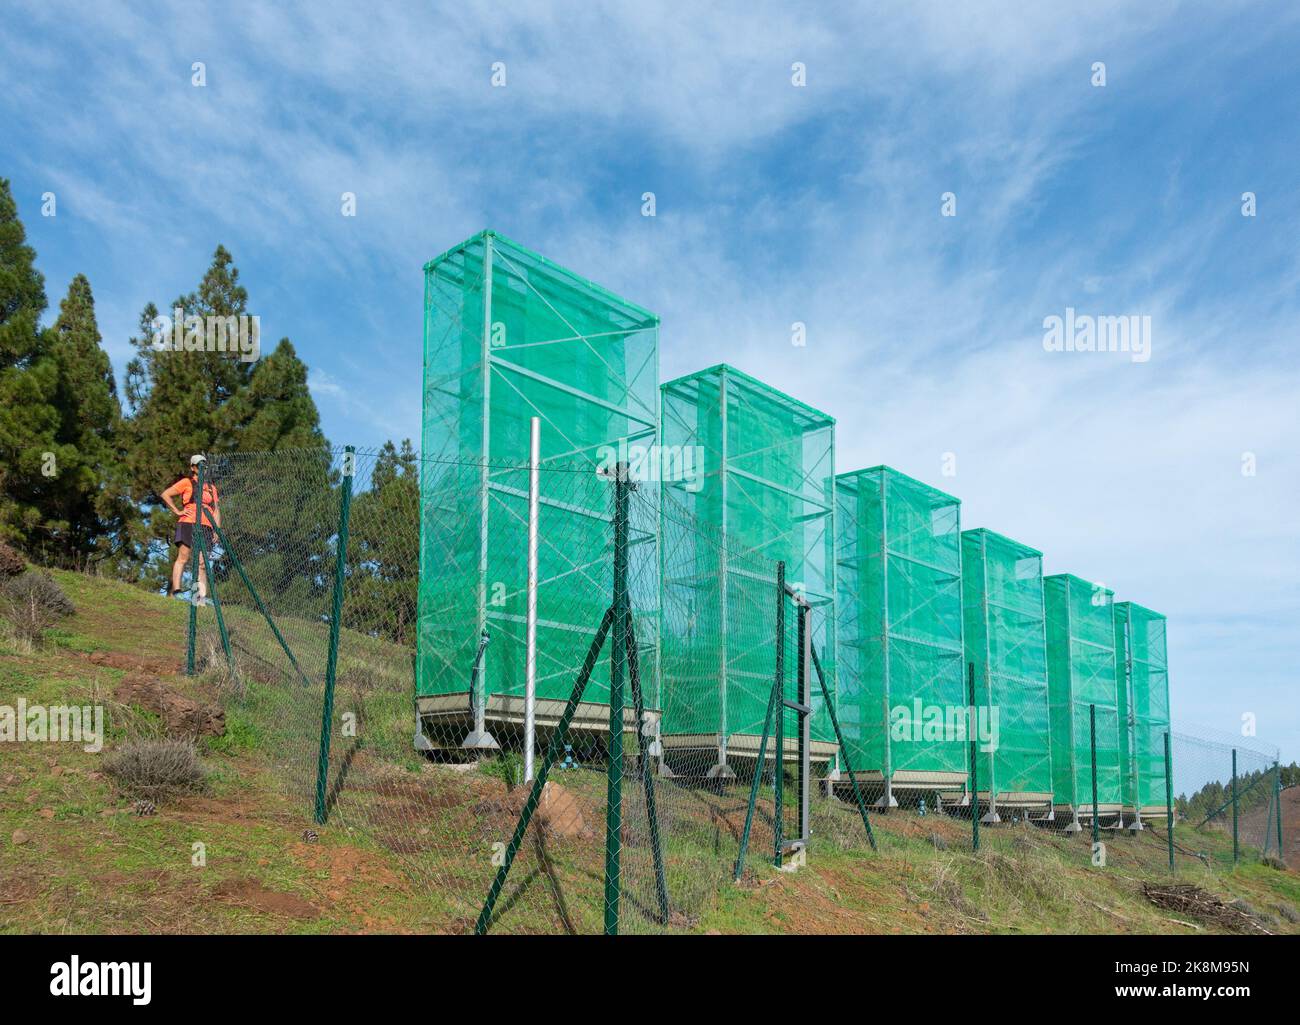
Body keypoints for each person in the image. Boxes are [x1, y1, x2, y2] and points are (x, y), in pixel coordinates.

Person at [161, 455, 221, 603]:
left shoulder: (212, 488)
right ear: (192, 467)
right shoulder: (186, 482)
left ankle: (200, 599)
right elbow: (166, 494)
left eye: (204, 466)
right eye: (198, 466)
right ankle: (177, 591)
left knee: (202, 563)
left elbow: (216, 509)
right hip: (188, 523)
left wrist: (217, 529)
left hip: (206, 526)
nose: (201, 468)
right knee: (183, 557)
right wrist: (177, 511)